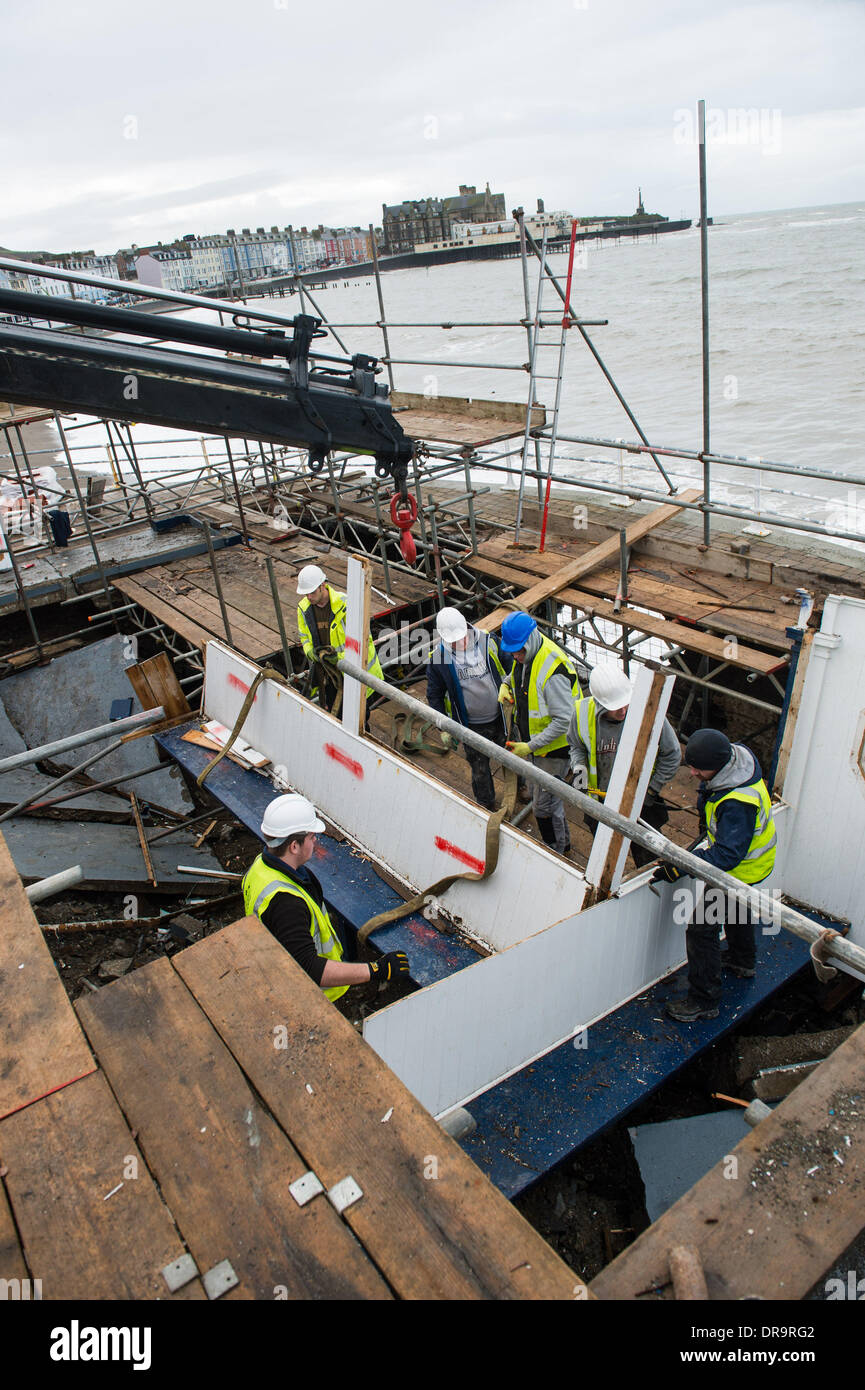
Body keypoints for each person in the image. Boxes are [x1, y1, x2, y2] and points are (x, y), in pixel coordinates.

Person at [657, 729, 777, 1023]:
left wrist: (682, 865)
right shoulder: (735, 763)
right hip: (754, 865)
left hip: (739, 869)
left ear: (720, 765)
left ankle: (704, 1001)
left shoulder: (737, 803)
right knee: (737, 909)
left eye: (699, 768)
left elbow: (726, 855)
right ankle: (742, 961)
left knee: (700, 929)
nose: (693, 772)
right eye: (692, 765)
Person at [242, 793, 410, 1001]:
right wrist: (375, 969)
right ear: (294, 846)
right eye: (312, 837)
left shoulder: (260, 865)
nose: (315, 842)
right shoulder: (287, 904)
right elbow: (312, 970)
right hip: (309, 998)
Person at [568, 663, 682, 866]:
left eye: (625, 704)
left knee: (649, 859)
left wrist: (651, 790)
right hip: (599, 802)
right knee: (603, 857)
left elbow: (672, 754)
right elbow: (576, 746)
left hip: (640, 804)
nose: (622, 710)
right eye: (615, 707)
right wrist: (579, 769)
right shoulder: (582, 713)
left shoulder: (649, 711)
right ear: (599, 701)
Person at [498, 612, 582, 855]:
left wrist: (530, 746)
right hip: (536, 747)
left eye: (518, 651)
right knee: (544, 799)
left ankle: (557, 850)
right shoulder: (525, 655)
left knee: (544, 807)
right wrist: (505, 685)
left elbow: (563, 722)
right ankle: (558, 843)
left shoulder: (552, 671)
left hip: (554, 751)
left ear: (530, 640)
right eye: (512, 652)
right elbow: (516, 674)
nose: (515, 656)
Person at [426, 607, 509, 810]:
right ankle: (486, 804)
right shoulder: (440, 658)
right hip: (471, 725)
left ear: (467, 627)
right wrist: (442, 726)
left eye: (461, 637)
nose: (458, 643)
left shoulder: (489, 642)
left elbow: (512, 667)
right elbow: (434, 695)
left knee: (511, 758)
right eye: (452, 640)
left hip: (501, 718)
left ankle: (520, 788)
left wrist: (510, 688)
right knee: (479, 768)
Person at [296, 564, 383, 711]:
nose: (309, 597)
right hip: (330, 675)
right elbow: (304, 636)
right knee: (335, 714)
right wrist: (310, 652)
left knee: (358, 718)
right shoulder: (304, 608)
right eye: (306, 594)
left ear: (322, 585)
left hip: (354, 672)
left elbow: (361, 643)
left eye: (312, 592)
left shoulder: (347, 605)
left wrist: (339, 658)